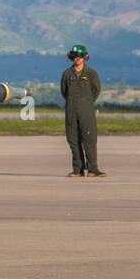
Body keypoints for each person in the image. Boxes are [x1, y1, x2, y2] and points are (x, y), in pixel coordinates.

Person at [61, 44, 104, 178]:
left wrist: (86, 102)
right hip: (71, 110)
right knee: (73, 139)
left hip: (87, 110)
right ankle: (77, 169)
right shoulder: (67, 74)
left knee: (89, 139)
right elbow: (64, 91)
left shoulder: (91, 73)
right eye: (74, 57)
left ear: (84, 57)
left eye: (79, 56)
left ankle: (93, 169)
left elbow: (96, 90)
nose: (77, 59)